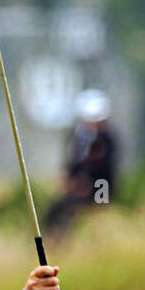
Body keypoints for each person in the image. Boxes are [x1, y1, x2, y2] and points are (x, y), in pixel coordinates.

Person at [44, 89, 118, 237]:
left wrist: (87, 183)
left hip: (100, 184)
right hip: (79, 186)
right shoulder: (77, 136)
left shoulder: (105, 138)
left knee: (96, 206)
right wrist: (70, 180)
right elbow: (72, 162)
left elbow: (103, 167)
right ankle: (54, 237)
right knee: (57, 208)